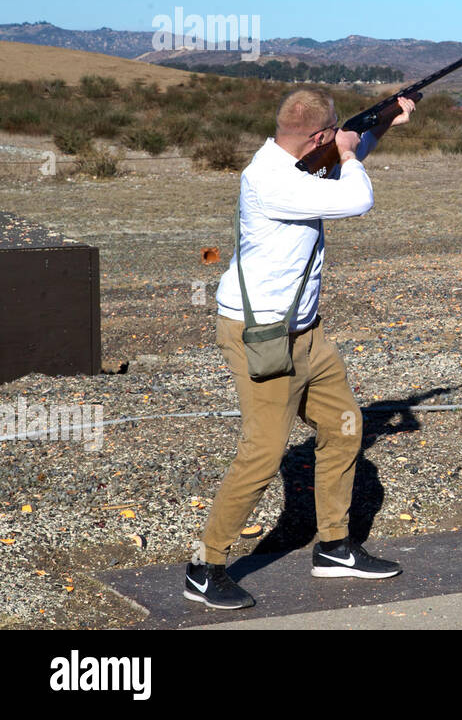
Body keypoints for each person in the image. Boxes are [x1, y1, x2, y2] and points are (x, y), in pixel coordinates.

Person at [183, 87, 415, 609]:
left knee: (344, 425)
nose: (336, 142)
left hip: (305, 332)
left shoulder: (297, 165)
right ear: (318, 135)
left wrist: (378, 126)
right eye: (332, 134)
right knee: (263, 454)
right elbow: (356, 196)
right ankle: (205, 565)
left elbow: (333, 168)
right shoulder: (270, 180)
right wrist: (354, 149)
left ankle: (333, 546)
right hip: (261, 335)